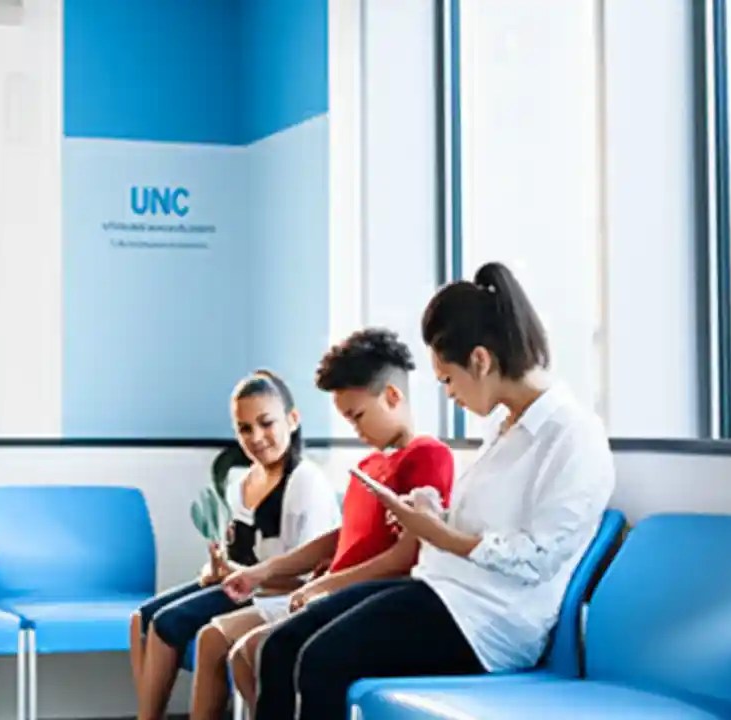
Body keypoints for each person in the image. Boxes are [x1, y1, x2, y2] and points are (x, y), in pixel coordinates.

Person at [252, 261, 616, 720]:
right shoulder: (504, 429)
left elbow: (537, 559)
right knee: (281, 645)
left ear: (480, 360)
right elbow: (477, 528)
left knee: (321, 662)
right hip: (440, 589)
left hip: (488, 623)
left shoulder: (573, 436)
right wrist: (429, 513)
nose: (448, 394)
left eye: (447, 378)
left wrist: (437, 533)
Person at [215, 329, 455, 717]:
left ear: (392, 396)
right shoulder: (368, 465)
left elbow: (407, 555)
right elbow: (343, 537)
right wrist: (266, 571)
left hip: (369, 599)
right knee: (246, 654)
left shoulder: (427, 455)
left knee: (266, 649)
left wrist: (325, 585)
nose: (356, 430)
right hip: (332, 595)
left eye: (358, 416)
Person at [128, 369, 338, 720]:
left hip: (278, 592)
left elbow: (304, 577)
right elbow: (240, 557)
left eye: (266, 423)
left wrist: (241, 574)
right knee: (141, 619)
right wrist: (217, 569)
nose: (256, 437)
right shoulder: (243, 482)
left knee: (167, 624)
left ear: (292, 419)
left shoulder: (305, 483)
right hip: (247, 584)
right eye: (244, 428)